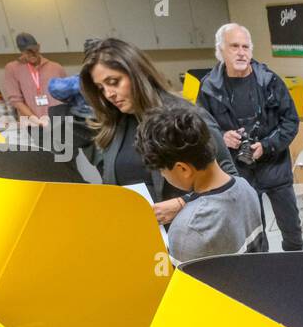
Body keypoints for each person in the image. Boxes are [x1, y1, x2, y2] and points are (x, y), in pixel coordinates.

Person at [80, 38, 240, 226]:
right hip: (142, 233)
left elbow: (231, 180)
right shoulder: (113, 124)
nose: (108, 94)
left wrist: (183, 203)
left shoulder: (184, 115)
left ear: (137, 74)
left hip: (191, 233)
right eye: (101, 88)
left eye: (114, 82)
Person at [195, 24, 303, 251]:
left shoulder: (270, 81)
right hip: (239, 173)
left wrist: (267, 145)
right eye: (234, 46)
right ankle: (263, 277)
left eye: (246, 46)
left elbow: (291, 121)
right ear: (220, 50)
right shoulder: (209, 88)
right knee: (255, 234)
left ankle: (297, 269)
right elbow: (202, 128)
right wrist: (222, 137)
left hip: (275, 168)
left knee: (292, 231)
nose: (241, 52)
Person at [136, 105, 263, 263]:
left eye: (162, 171)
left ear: (183, 168)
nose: (162, 175)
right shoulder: (244, 187)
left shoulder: (187, 229)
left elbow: (186, 286)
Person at [2, 33, 66, 124]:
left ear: (39, 47)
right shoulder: (12, 69)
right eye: (27, 52)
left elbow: (67, 95)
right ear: (21, 51)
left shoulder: (56, 67)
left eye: (34, 50)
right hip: (32, 124)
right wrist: (35, 119)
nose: (32, 54)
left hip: (59, 122)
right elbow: (15, 100)